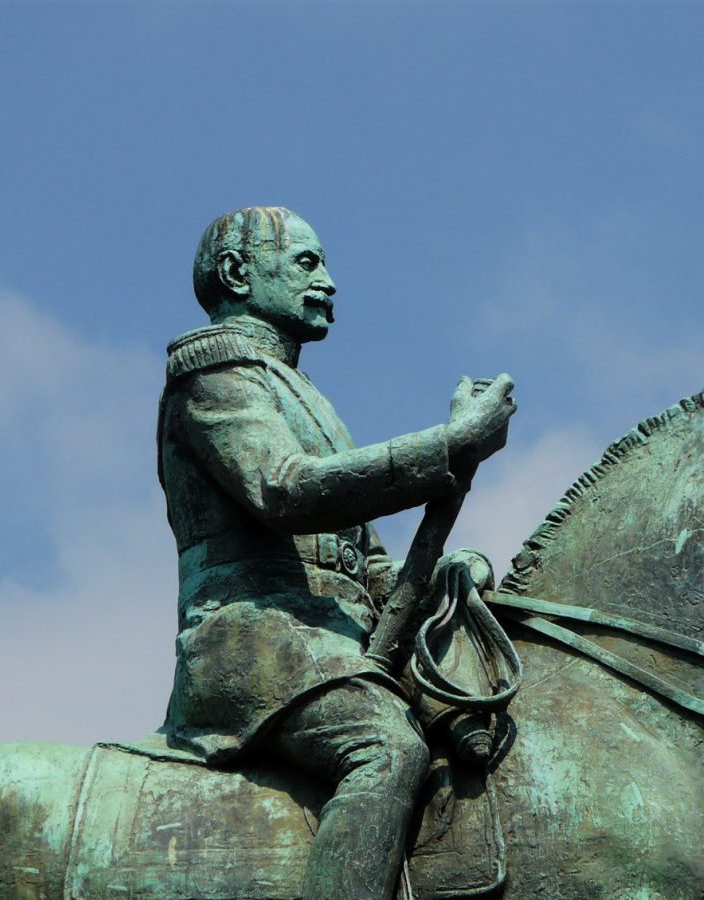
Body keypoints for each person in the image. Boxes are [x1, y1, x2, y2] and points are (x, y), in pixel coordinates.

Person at [157, 206, 515, 898]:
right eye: (306, 263)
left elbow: (366, 565)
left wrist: (444, 581)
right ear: (238, 273)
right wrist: (448, 448)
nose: (329, 281)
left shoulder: (302, 395)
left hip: (330, 646)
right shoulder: (215, 374)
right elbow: (284, 490)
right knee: (386, 749)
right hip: (257, 643)